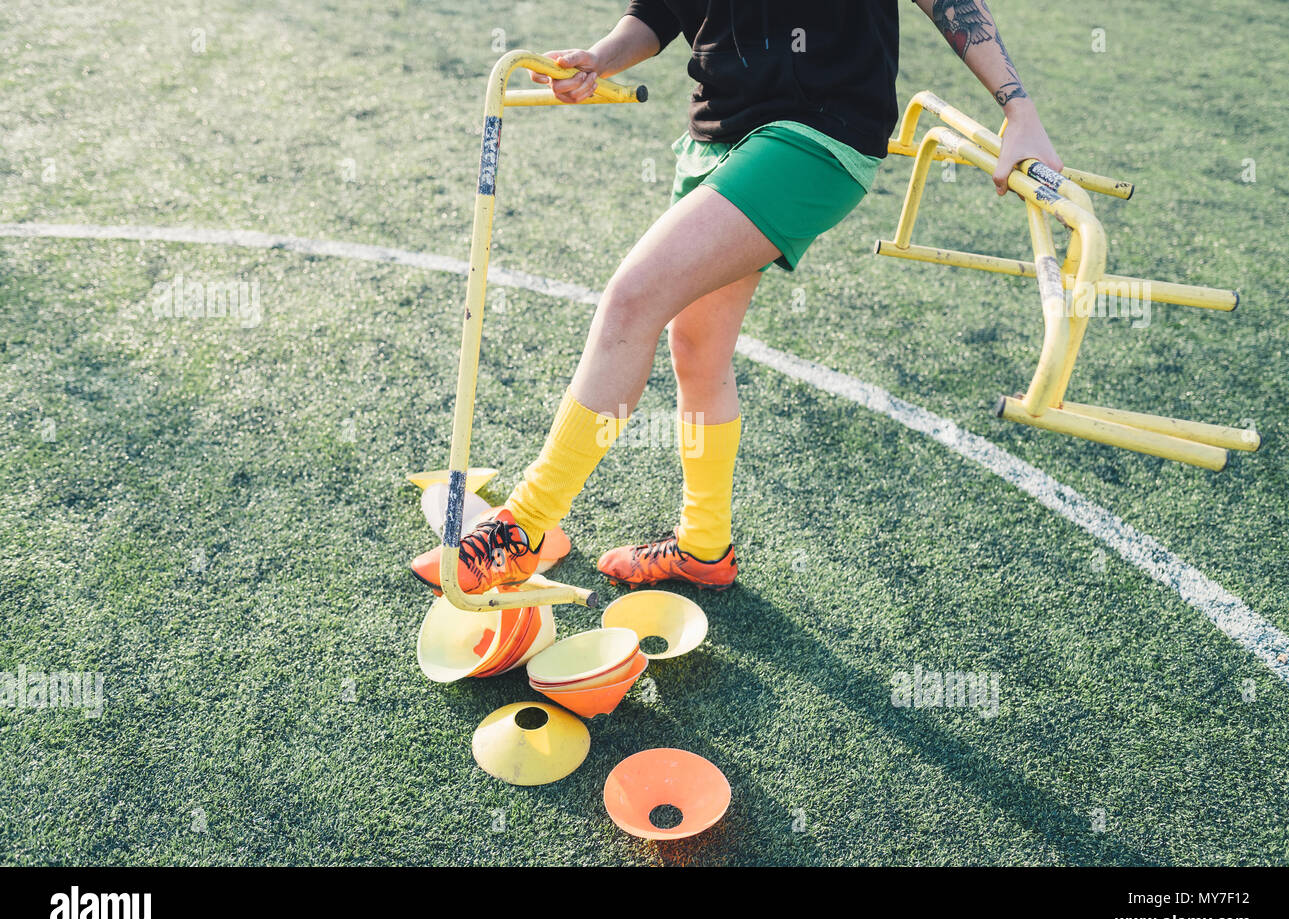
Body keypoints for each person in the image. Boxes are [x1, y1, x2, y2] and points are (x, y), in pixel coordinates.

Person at [412, 1, 1063, 595]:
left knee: (632, 299)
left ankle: (522, 526)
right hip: (717, 133)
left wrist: (1019, 111)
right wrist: (601, 58)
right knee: (695, 346)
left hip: (818, 128)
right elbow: (659, 13)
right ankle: (703, 546)